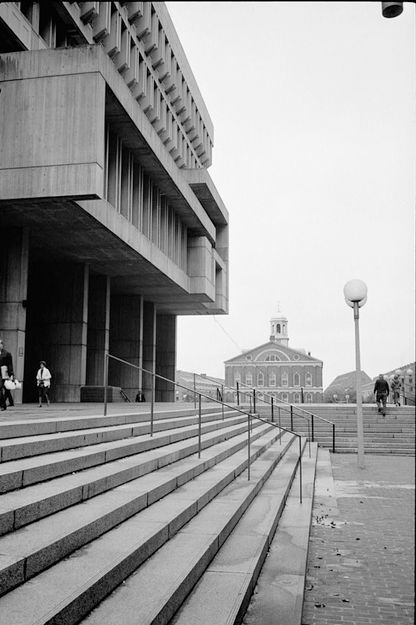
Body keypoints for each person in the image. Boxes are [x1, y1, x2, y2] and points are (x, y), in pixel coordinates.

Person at [0, 338, 14, 412]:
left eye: (0, 343)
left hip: (4, 374)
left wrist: (11, 374)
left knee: (1, 389)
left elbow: (10, 365)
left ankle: (2, 405)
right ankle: (3, 404)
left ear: (2, 345)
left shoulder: (7, 354)